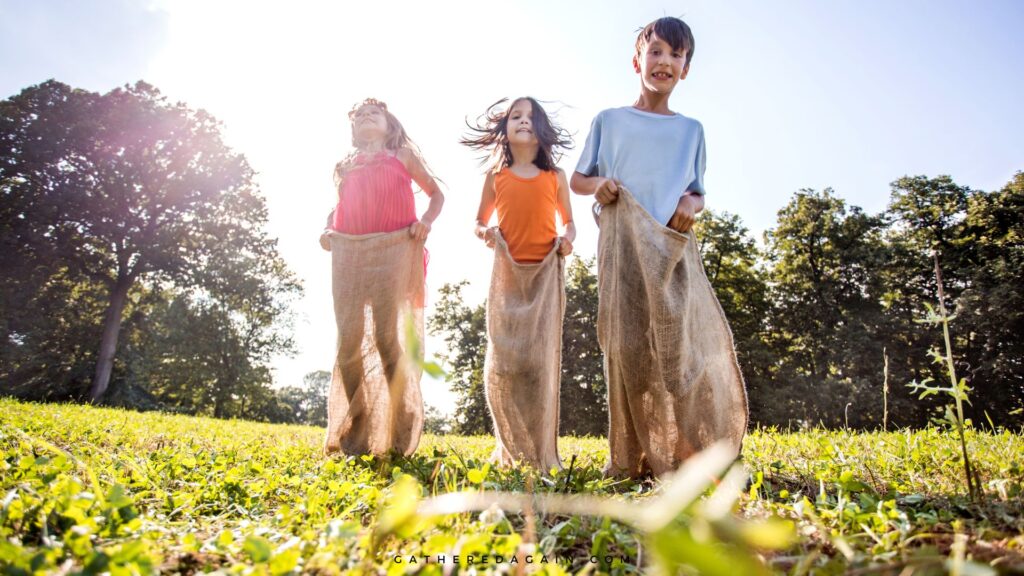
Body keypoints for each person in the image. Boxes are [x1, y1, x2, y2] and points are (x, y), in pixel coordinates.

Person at [571, 18, 748, 478]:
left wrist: (692, 201)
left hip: (670, 251)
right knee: (628, 347)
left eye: (675, 54)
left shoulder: (691, 131)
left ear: (685, 68)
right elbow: (578, 179)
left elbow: (697, 192)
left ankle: (691, 452)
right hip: (622, 249)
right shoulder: (609, 121)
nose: (664, 61)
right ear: (637, 61)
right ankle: (634, 455)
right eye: (656, 52)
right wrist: (600, 185)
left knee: (678, 347)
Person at [321, 98, 444, 456]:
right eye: (359, 115)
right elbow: (339, 208)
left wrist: (426, 222)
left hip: (394, 252)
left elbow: (436, 194)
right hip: (351, 255)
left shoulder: (402, 156)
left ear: (390, 124)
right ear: (353, 129)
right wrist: (327, 229)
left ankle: (399, 419)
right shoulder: (345, 165)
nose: (365, 117)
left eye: (373, 113)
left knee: (388, 337)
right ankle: (357, 422)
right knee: (349, 340)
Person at [461, 97, 574, 470]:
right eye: (516, 116)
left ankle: (542, 451)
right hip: (508, 275)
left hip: (544, 276)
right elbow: (478, 221)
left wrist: (567, 238)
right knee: (508, 362)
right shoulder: (497, 178)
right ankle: (509, 447)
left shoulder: (554, 177)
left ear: (542, 131)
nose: (523, 121)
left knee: (538, 364)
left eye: (531, 117)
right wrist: (486, 232)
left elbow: (569, 223)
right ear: (505, 130)